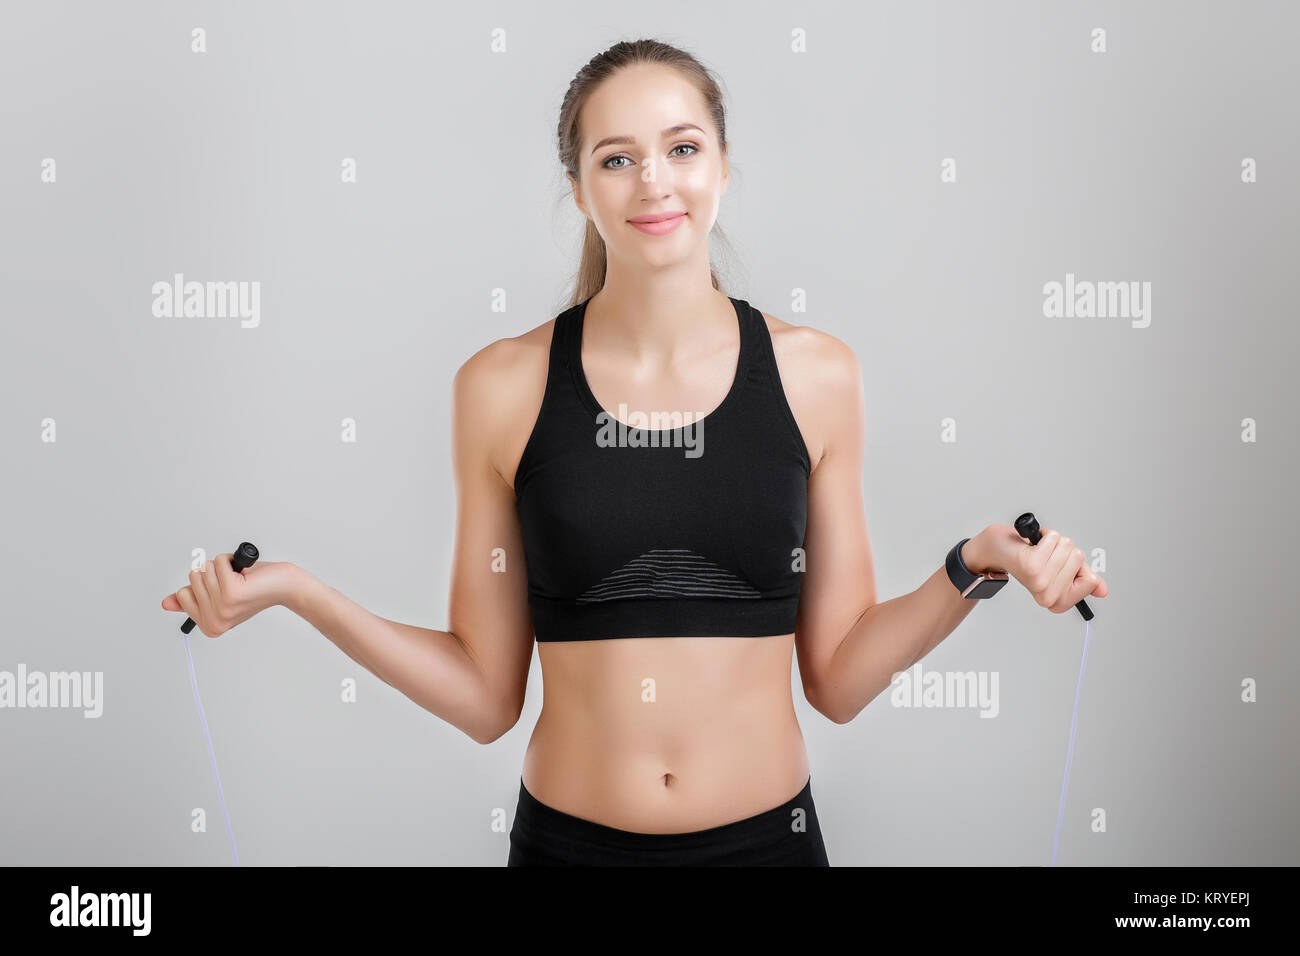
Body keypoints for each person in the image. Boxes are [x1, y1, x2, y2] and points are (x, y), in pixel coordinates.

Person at [161, 38, 1108, 866]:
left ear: (723, 166)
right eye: (617, 159)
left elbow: (840, 679)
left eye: (681, 149)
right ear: (578, 187)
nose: (653, 182)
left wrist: (976, 563)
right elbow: (488, 697)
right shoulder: (501, 387)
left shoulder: (818, 377)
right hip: (568, 850)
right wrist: (296, 591)